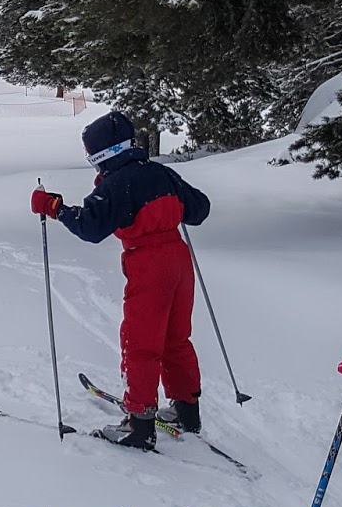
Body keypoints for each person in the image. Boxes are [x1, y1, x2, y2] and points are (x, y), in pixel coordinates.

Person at [30, 111, 210, 451]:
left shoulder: (117, 184)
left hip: (148, 263)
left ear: (103, 153)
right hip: (178, 259)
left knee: (141, 342)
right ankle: (187, 411)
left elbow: (90, 227)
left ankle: (139, 425)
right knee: (175, 337)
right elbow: (199, 209)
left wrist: (53, 207)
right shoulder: (160, 173)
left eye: (91, 155)